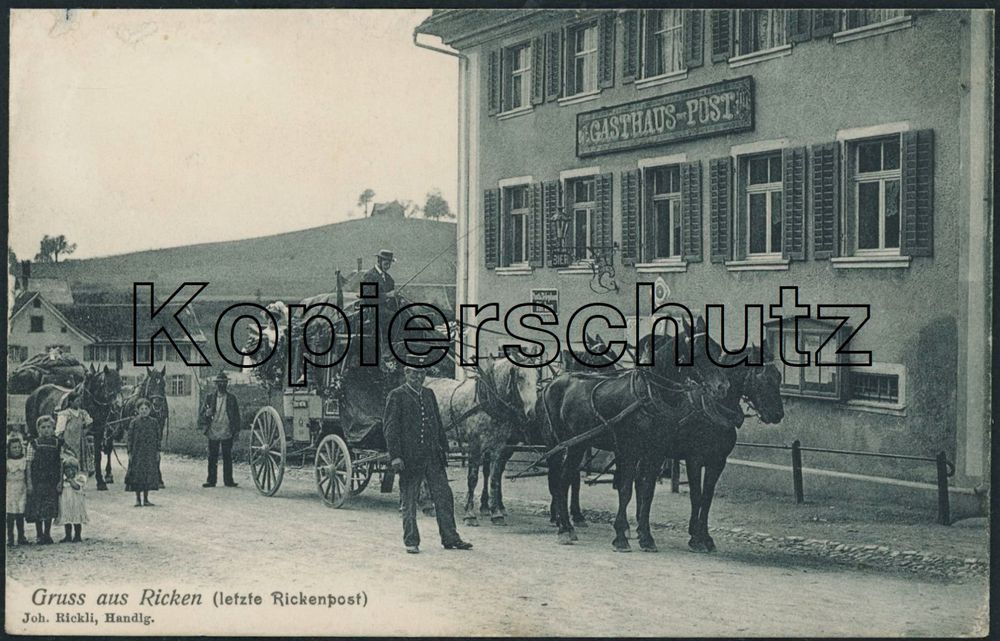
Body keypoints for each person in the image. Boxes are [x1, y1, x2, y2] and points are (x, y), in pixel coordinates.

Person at [384, 364, 472, 554]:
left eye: (422, 373)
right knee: (409, 499)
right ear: (407, 373)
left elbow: (437, 423)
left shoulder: (429, 394)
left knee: (444, 497)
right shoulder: (397, 395)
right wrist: (396, 456)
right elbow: (391, 429)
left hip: (433, 456)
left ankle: (450, 538)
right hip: (409, 458)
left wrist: (444, 447)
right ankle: (411, 541)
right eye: (414, 372)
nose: (418, 376)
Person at [198, 371, 241, 488]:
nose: (221, 384)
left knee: (227, 456)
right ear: (216, 384)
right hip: (213, 430)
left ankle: (228, 481)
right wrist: (207, 413)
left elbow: (237, 416)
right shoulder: (209, 398)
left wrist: (236, 431)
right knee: (212, 456)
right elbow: (201, 414)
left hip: (227, 430)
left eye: (224, 382)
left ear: (226, 384)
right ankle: (211, 481)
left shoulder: (232, 398)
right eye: (219, 383)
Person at [24, 416, 61, 544]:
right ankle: (39, 534)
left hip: (52, 481)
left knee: (49, 506)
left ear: (53, 429)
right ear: (38, 429)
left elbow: (60, 463)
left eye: (49, 427)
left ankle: (47, 533)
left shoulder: (57, 443)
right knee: (38, 507)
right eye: (43, 427)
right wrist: (29, 483)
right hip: (38, 481)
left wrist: (60, 481)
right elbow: (28, 464)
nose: (46, 430)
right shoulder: (34, 443)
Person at [125, 399, 161, 506]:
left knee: (147, 475)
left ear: (150, 410)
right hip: (137, 454)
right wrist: (130, 452)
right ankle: (137, 499)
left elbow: (158, 438)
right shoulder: (134, 423)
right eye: (142, 409)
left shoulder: (154, 423)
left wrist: (158, 451)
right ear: (137, 410)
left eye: (146, 409)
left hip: (149, 453)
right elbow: (130, 439)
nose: (144, 411)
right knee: (137, 476)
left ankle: (146, 499)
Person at [55, 392, 94, 478]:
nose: (79, 402)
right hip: (68, 441)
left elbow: (90, 423)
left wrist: (85, 432)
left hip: (80, 441)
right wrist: (62, 441)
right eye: (77, 401)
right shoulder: (65, 414)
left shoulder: (82, 413)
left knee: (80, 461)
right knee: (69, 460)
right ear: (71, 402)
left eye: (80, 400)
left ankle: (79, 480)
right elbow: (59, 430)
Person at [55, 457, 88, 542]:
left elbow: (77, 487)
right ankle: (68, 536)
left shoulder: (79, 478)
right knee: (67, 520)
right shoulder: (63, 481)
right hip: (66, 504)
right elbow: (59, 489)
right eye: (67, 468)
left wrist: (71, 480)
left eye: (73, 468)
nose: (70, 471)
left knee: (77, 520)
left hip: (76, 504)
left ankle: (77, 535)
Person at [6, 434, 29, 545]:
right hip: (10, 489)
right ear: (9, 449)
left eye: (18, 447)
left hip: (21, 488)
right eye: (14, 447)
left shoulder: (24, 461)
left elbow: (27, 474)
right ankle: (10, 537)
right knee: (10, 514)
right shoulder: (7, 462)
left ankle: (21, 536)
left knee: (20, 513)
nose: (17, 449)